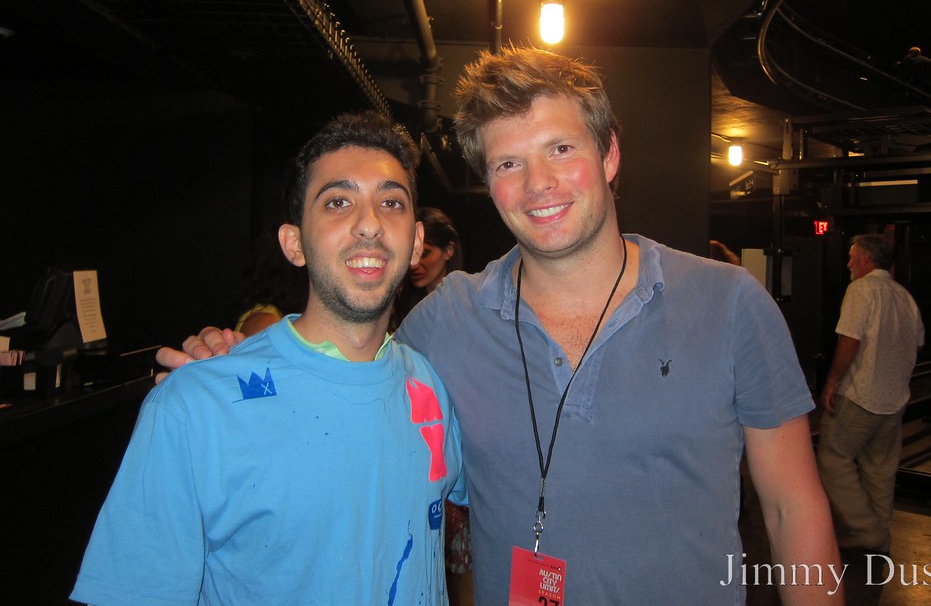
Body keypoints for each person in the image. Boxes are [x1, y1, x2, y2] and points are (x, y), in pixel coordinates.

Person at [161, 46, 842, 604]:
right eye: (509, 163)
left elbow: (792, 511)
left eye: (560, 150)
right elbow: (340, 378)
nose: (538, 183)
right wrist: (237, 366)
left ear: (609, 156)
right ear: (488, 184)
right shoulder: (448, 320)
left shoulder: (727, 304)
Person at [72, 112, 465, 606]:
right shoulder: (194, 405)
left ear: (415, 243)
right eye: (339, 201)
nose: (369, 223)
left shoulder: (428, 386)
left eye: (391, 202)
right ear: (294, 244)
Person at [816, 233, 924, 555]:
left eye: (852, 256)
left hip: (861, 395)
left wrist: (832, 381)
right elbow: (916, 344)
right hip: (895, 400)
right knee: (880, 468)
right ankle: (881, 536)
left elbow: (850, 339)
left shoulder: (860, 289)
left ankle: (866, 532)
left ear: (865, 260)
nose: (848, 262)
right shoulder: (905, 296)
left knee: (833, 457)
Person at [392, 206, 472, 605]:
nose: (419, 262)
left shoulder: (458, 304)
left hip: (453, 455)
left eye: (429, 252)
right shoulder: (408, 309)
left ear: (448, 250)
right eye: (417, 252)